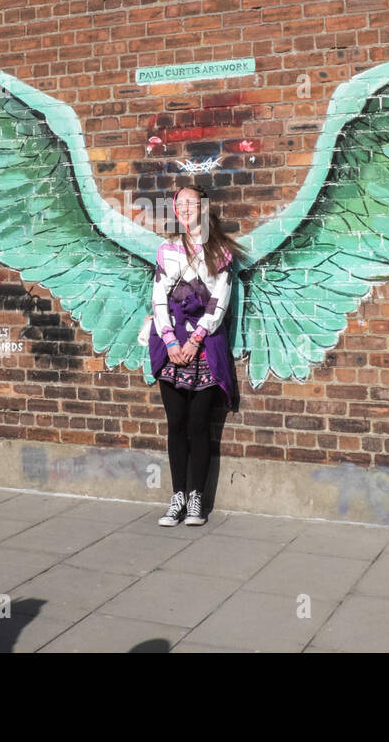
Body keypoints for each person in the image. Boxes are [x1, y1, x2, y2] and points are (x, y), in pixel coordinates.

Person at [148, 184, 244, 527]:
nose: (185, 208)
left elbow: (219, 301)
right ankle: (176, 497)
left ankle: (197, 500)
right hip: (170, 344)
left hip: (205, 347)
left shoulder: (220, 252)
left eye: (192, 202)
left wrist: (196, 339)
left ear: (204, 207)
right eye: (179, 204)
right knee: (175, 423)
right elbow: (158, 299)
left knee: (199, 424)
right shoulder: (167, 250)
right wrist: (172, 342)